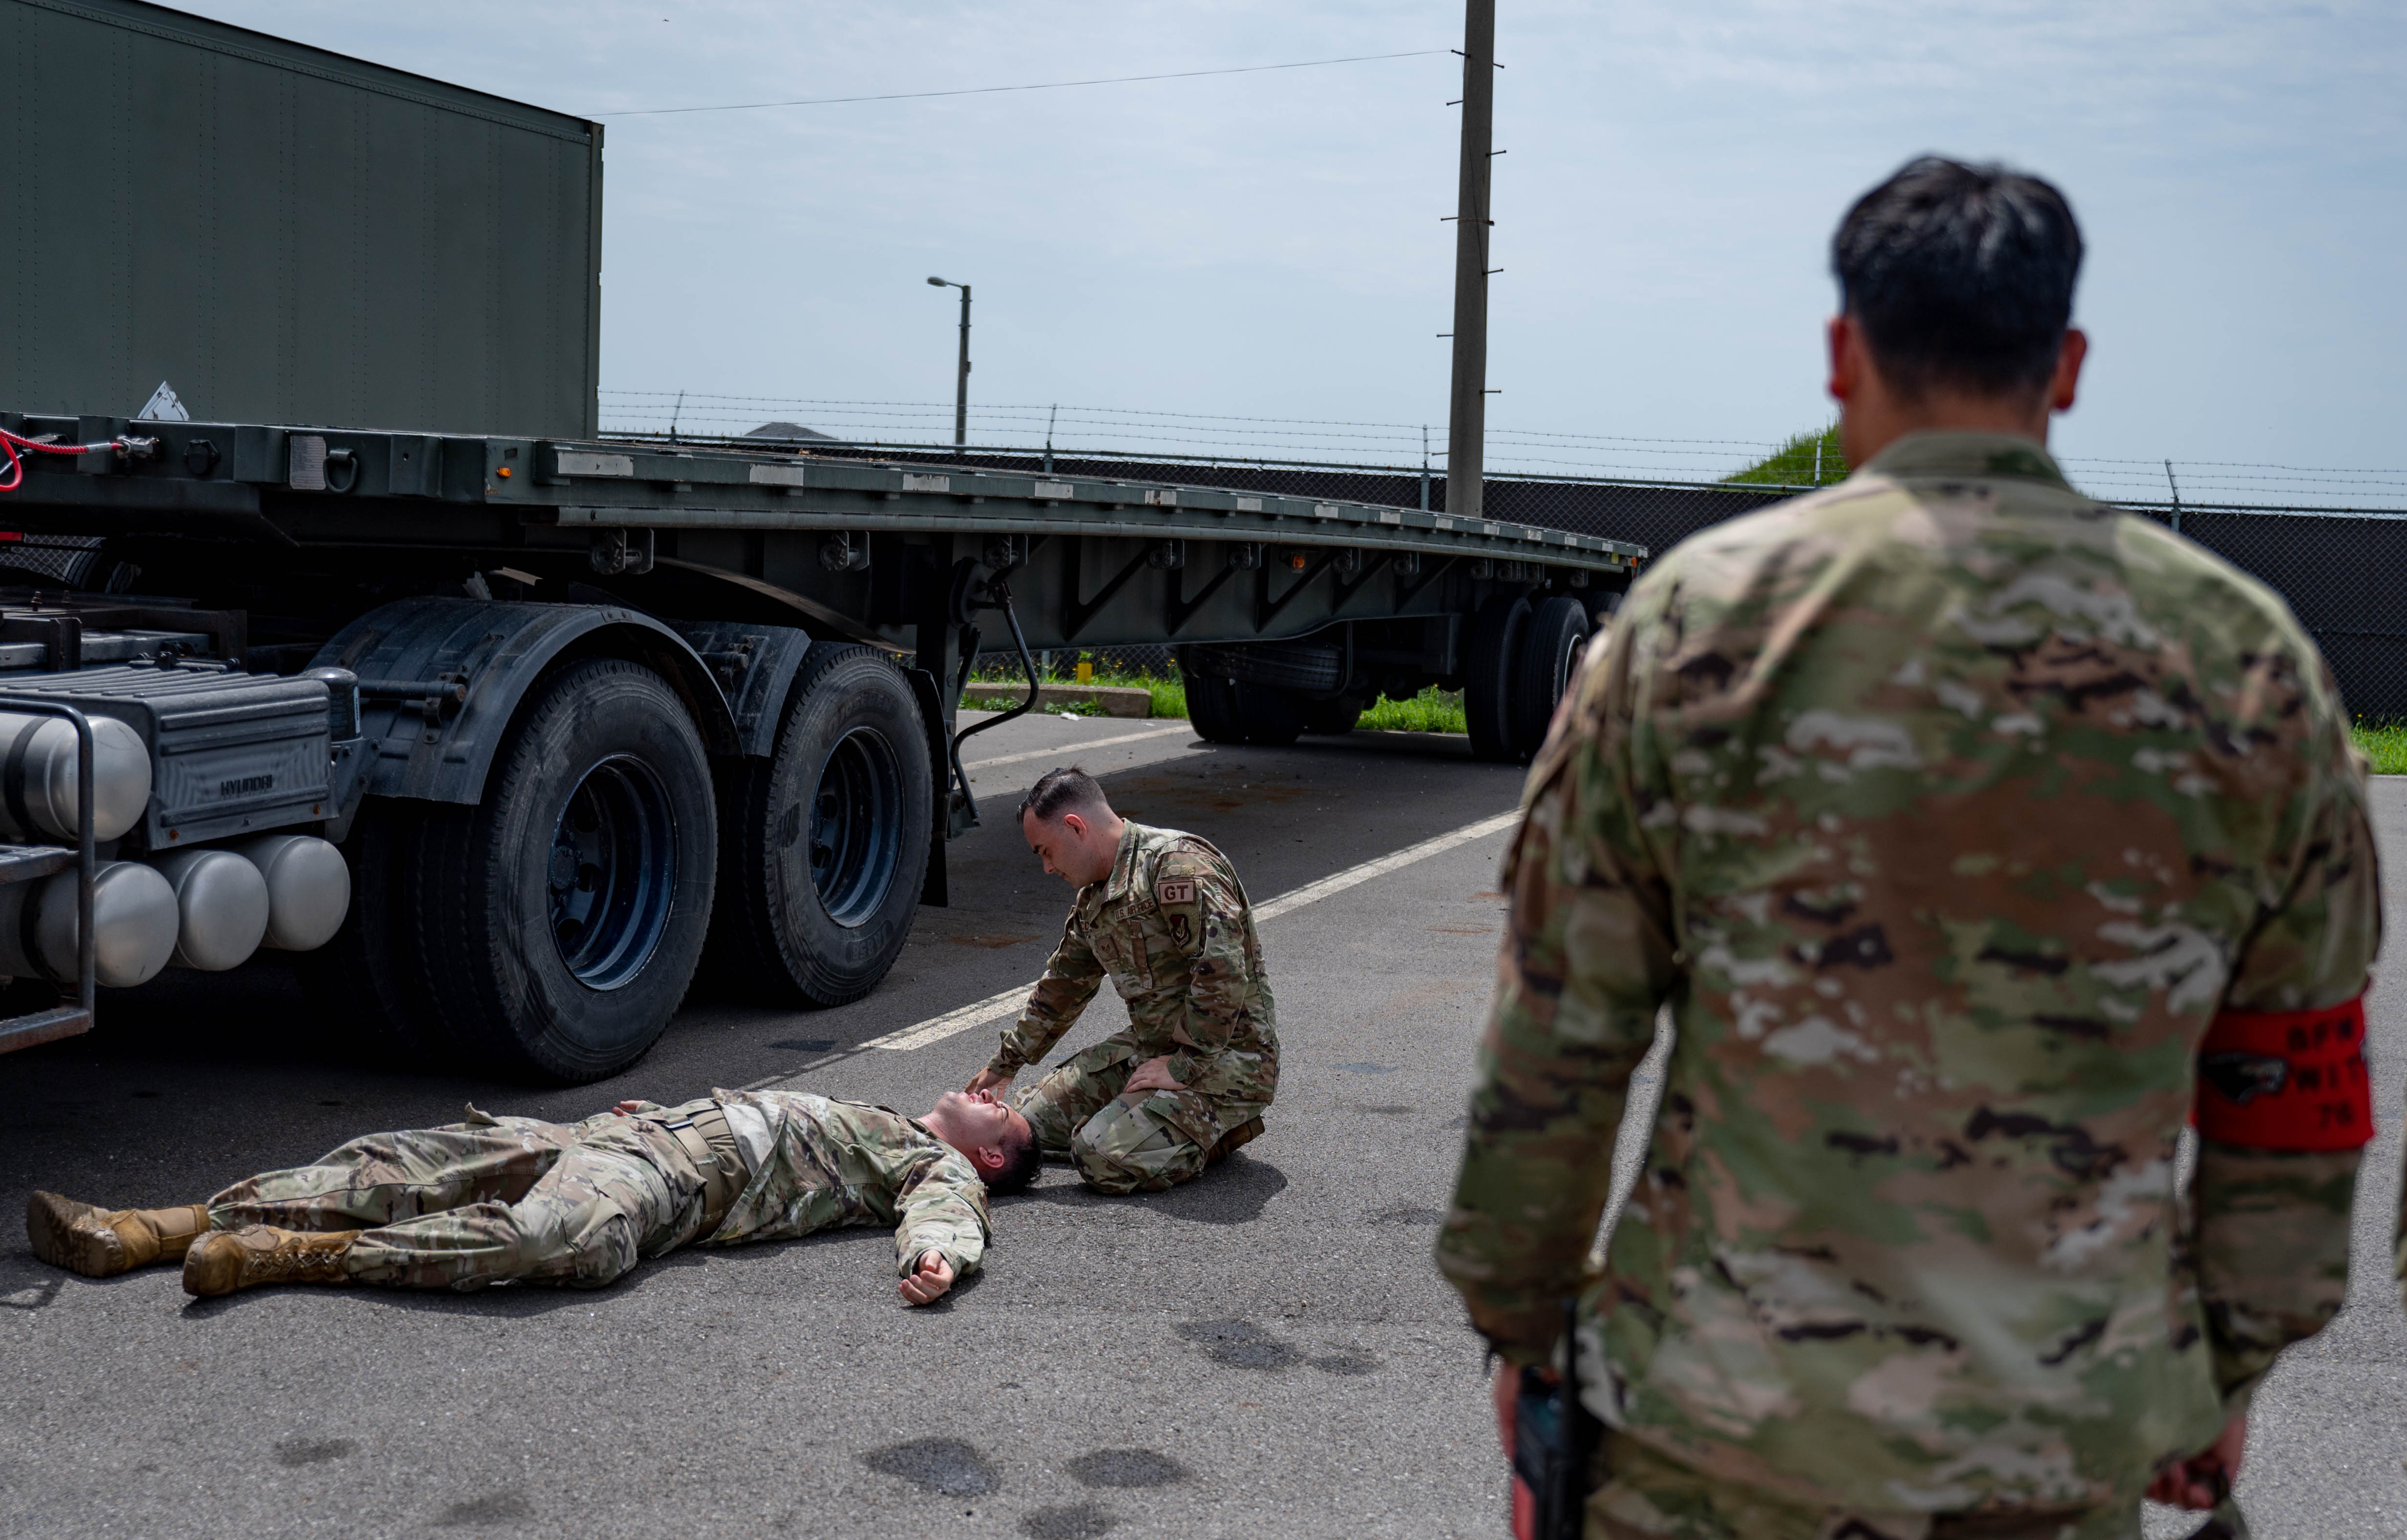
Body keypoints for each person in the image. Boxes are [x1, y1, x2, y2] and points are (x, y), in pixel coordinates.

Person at [1437, 155, 2380, 1540]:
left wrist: (1523, 1323)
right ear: (2064, 365)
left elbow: (1559, 1030)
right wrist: (2222, 1366)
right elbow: (2298, 1079)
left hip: (1717, 1434)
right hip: (2059, 1446)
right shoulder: (2249, 662)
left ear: (1840, 353)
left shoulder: (1697, 622)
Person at [29, 1086, 1040, 1304]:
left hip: (671, 1178)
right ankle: (145, 1229)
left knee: (564, 1235)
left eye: (1003, 1115)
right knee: (404, 1160)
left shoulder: (934, 1163)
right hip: (626, 1129)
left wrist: (938, 1257)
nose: (990, 1095)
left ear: (990, 1157)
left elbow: (943, 1210)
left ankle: (279, 1255)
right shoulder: (875, 1108)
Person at [964, 766, 1277, 1192]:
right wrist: (1004, 1066)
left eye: (1046, 851)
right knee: (1027, 1128)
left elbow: (1222, 972)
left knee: (1101, 1158)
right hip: (1152, 1048)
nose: (1046, 867)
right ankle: (1148, 1114)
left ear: (1075, 827)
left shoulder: (1176, 867)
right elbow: (1064, 985)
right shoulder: (1097, 893)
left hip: (1228, 1060)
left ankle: (1217, 1129)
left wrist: (1185, 1066)